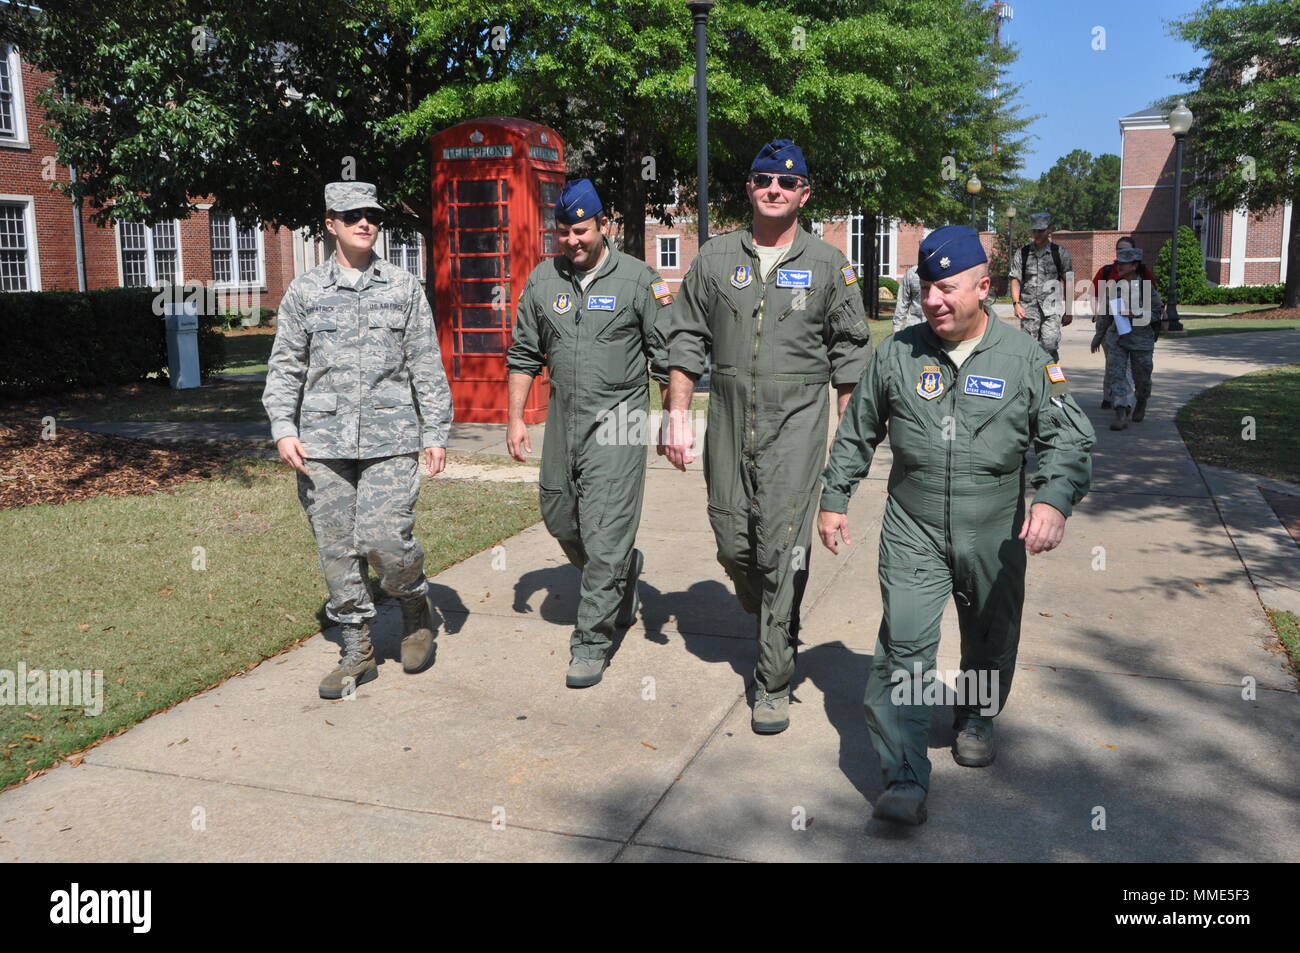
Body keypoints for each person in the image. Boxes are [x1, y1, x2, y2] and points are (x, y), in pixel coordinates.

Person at [817, 226, 1095, 825]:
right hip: (912, 524)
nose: (933, 301)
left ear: (983, 287)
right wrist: (834, 497)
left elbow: (1068, 438)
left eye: (946, 289)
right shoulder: (897, 353)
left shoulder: (1025, 358)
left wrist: (1052, 500)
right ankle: (904, 777)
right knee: (904, 647)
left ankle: (975, 716)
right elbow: (858, 430)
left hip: (993, 527)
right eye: (926, 289)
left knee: (990, 636)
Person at [662, 138, 872, 734]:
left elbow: (851, 353)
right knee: (733, 543)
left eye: (786, 182)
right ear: (749, 188)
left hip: (797, 427)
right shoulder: (714, 257)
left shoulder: (829, 265)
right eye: (763, 180)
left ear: (804, 194)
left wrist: (845, 435)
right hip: (729, 421)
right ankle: (766, 606)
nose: (773, 189)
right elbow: (686, 337)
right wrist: (677, 415)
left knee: (782, 547)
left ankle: (773, 678)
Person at [263, 181, 452, 699]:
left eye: (371, 214)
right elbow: (286, 366)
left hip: (392, 438)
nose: (364, 223)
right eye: (352, 216)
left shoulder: (403, 288)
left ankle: (414, 605)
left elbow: (426, 364)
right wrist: (283, 428)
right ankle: (357, 648)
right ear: (331, 224)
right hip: (322, 444)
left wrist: (435, 431)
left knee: (385, 539)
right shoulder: (305, 291)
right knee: (337, 546)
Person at [506, 179, 673, 688]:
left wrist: (673, 418)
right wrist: (515, 418)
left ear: (603, 225)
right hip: (565, 419)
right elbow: (523, 355)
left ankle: (591, 643)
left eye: (581, 230)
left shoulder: (639, 281)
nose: (572, 240)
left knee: (603, 534)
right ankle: (622, 567)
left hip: (620, 421)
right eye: (564, 232)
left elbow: (667, 357)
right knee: (558, 514)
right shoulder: (543, 281)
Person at [1091, 245, 1162, 431]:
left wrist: (1136, 313)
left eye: (1124, 263)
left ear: (1134, 265)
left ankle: (1141, 400)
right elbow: (1105, 314)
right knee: (1117, 375)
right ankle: (1121, 413)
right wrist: (1098, 337)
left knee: (1142, 378)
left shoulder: (1146, 288)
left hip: (1141, 340)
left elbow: (1157, 313)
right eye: (1118, 262)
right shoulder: (1113, 287)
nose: (1119, 266)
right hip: (1117, 339)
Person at [1009, 212, 1074, 362]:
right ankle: (1030, 377)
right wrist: (1016, 303)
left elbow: (1069, 281)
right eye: (1034, 230)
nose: (1037, 234)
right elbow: (1015, 279)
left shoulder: (1060, 253)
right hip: (1028, 310)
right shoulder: (1023, 253)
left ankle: (1050, 377)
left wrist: (1069, 310)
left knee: (1050, 348)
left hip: (1051, 310)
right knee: (1028, 350)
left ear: (1050, 229)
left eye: (1041, 230)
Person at [892, 264, 925, 333]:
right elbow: (903, 301)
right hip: (914, 324)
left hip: (936, 326)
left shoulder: (942, 271)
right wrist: (896, 326)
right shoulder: (911, 273)